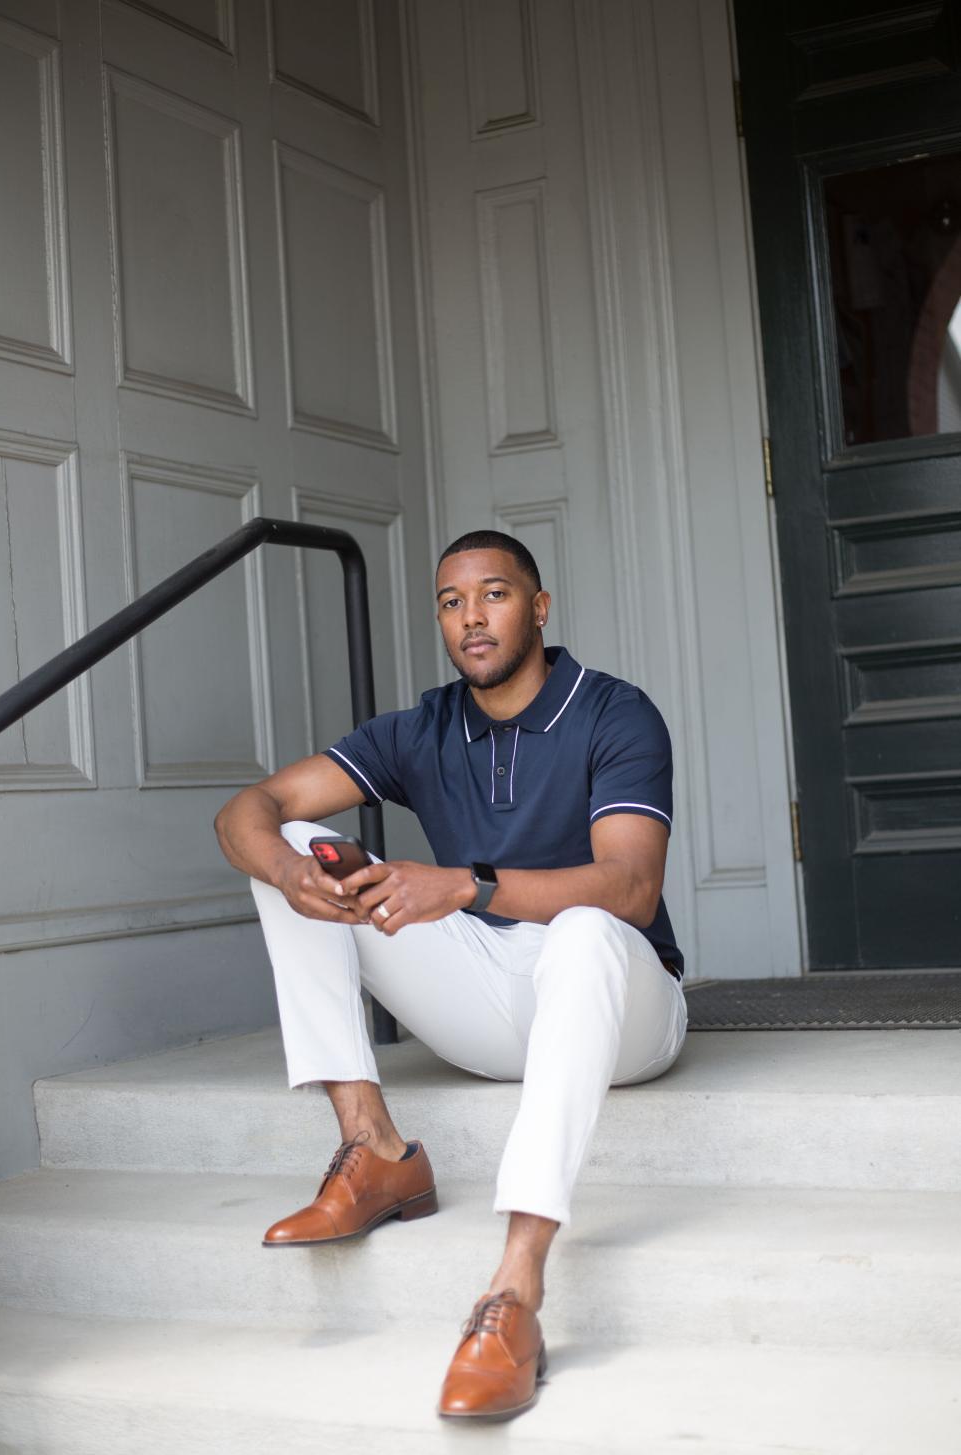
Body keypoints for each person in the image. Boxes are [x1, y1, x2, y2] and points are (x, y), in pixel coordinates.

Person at [214, 529, 687, 1421]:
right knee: (298, 851)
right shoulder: (422, 727)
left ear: (538, 609)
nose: (471, 617)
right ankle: (377, 1151)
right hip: (490, 997)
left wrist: (465, 886)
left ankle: (515, 1289)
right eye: (450, 601)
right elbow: (249, 809)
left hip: (623, 1000)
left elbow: (631, 884)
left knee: (583, 930)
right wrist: (288, 873)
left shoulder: (615, 711)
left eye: (495, 595)